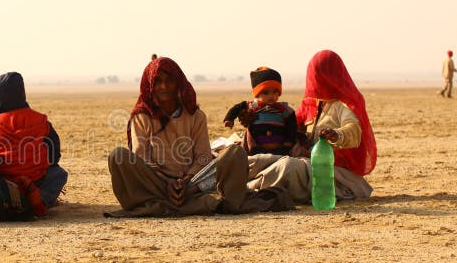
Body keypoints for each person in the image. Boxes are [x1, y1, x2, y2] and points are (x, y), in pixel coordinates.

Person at [106, 57, 293, 217]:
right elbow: (142, 157)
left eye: (169, 81)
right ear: (150, 85)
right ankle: (183, 202)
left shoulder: (195, 116)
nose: (163, 87)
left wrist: (187, 183)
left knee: (234, 152)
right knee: (118, 156)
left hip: (194, 185)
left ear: (178, 83)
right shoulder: (142, 117)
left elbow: (203, 156)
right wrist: (169, 183)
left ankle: (170, 204)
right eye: (158, 81)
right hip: (158, 185)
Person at [247, 50, 376, 203]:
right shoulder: (313, 104)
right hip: (308, 163)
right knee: (260, 159)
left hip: (335, 174)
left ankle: (250, 191)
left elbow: (352, 129)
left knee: (288, 167)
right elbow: (289, 123)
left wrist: (336, 135)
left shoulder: (345, 105)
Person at [0, 72, 68, 215]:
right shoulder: (40, 119)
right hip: (37, 181)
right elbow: (54, 153)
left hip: (6, 183)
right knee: (59, 173)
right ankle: (40, 200)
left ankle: (10, 201)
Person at [222, 66, 296, 155]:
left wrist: (289, 141)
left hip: (279, 147)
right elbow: (236, 108)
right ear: (257, 94)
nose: (271, 96)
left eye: (275, 92)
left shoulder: (284, 109)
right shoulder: (252, 106)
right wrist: (229, 119)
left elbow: (292, 124)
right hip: (256, 147)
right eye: (266, 93)